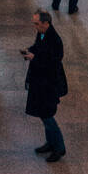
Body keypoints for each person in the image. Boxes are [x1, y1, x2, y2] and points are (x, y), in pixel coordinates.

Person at [23, 10, 68, 163]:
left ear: (46, 23)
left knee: (48, 116)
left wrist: (34, 57)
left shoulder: (55, 40)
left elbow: (52, 63)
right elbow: (38, 47)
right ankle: (51, 143)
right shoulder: (43, 34)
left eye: (37, 23)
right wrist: (31, 51)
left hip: (48, 85)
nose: (35, 26)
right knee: (44, 115)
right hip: (40, 83)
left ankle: (59, 148)